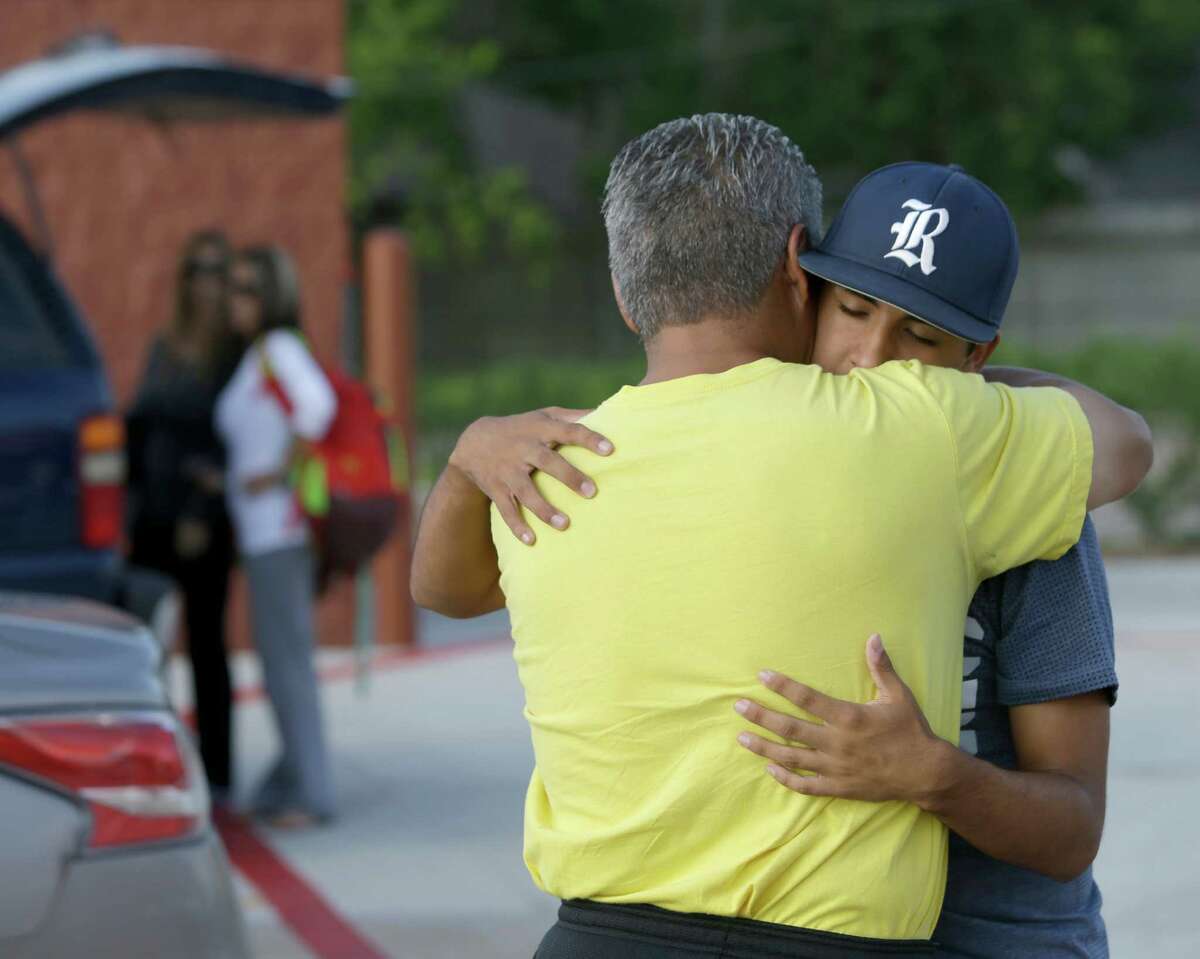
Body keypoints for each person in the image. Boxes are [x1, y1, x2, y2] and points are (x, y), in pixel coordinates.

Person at [410, 115, 1152, 957]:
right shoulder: (595, 453)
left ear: (978, 358)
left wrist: (935, 774)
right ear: (804, 277)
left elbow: (1071, 828)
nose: (875, 361)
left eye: (922, 338)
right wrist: (473, 454)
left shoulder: (1017, 493)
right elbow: (449, 590)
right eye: (856, 310)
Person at [215, 245, 337, 828]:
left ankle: (313, 797)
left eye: (245, 289)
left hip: (280, 532)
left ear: (269, 297)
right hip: (262, 533)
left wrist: (279, 473)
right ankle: (289, 782)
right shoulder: (258, 354)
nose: (233, 299)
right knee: (278, 663)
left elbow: (318, 406)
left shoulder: (279, 349)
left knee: (288, 666)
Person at [127, 229, 239, 803]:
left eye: (220, 271)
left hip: (205, 522)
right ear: (184, 279)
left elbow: (232, 441)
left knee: (206, 648)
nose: (209, 282)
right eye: (199, 269)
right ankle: (154, 763)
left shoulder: (236, 353)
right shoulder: (165, 347)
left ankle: (218, 775)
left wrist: (204, 507)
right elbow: (140, 424)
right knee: (146, 648)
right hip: (152, 517)